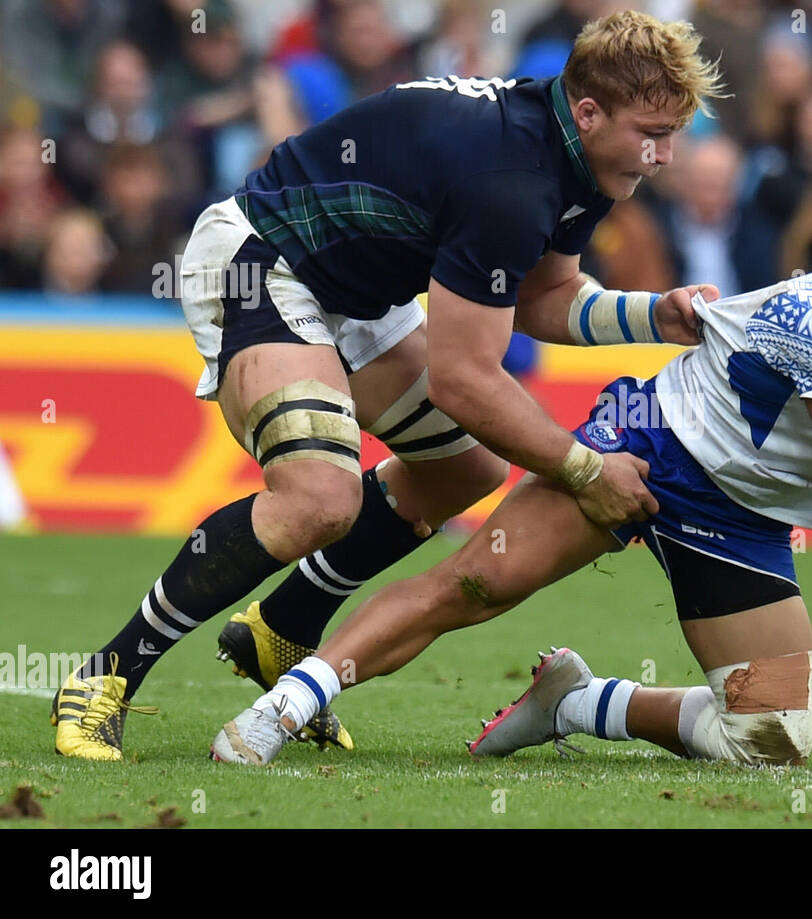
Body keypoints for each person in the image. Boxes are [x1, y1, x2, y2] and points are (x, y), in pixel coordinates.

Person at [210, 160, 812, 769]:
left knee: (770, 740)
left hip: (744, 516)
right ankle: (286, 704)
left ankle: (577, 701)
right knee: (475, 580)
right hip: (652, 448)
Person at [51, 9, 726, 762]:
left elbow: (543, 294)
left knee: (468, 466)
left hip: (353, 288)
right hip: (262, 259)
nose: (667, 155)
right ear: (591, 112)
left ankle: (281, 629)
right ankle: (105, 673)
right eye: (653, 133)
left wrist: (649, 314)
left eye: (673, 134)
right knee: (319, 498)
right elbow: (466, 381)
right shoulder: (516, 176)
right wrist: (584, 468)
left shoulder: (579, 151)